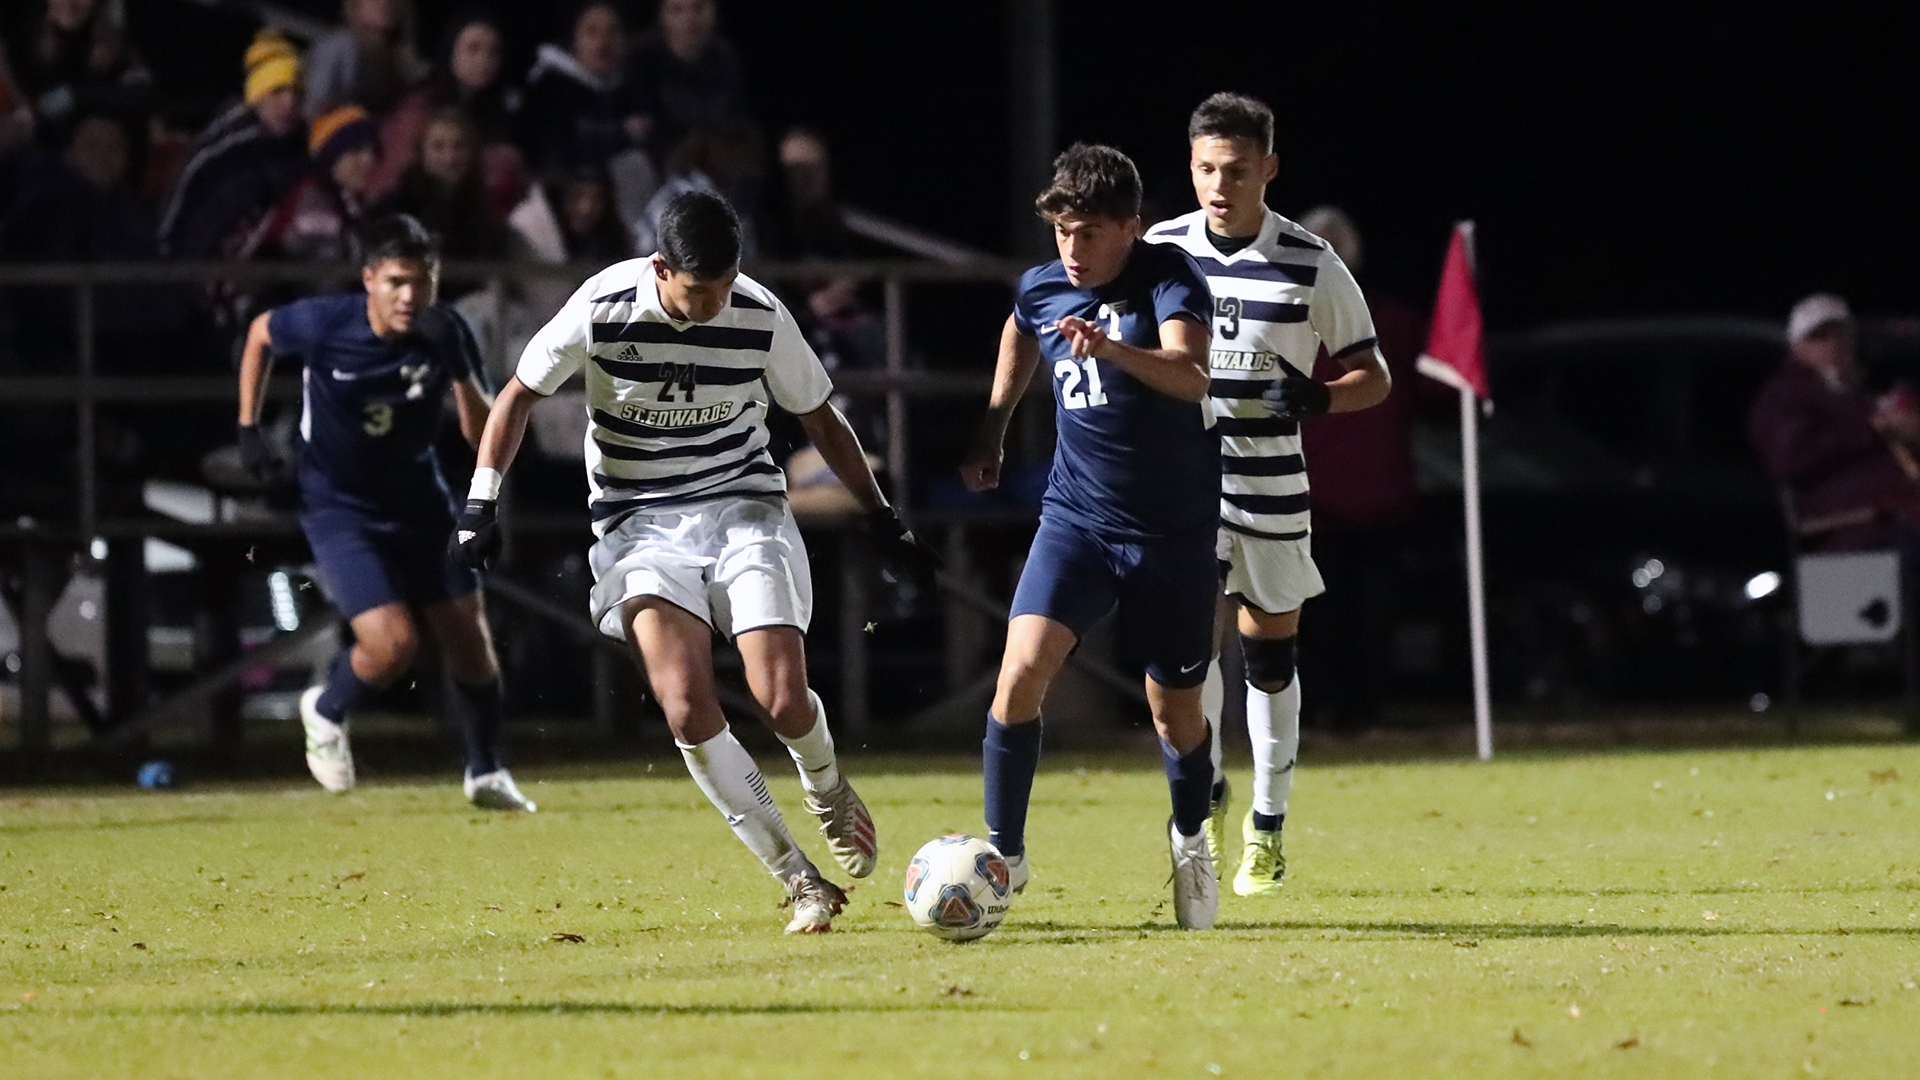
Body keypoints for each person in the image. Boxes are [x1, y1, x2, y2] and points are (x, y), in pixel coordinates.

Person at [452, 190, 936, 932]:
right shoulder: (602, 304)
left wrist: (880, 513)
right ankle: (798, 877)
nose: (715, 304)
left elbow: (817, 413)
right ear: (660, 268)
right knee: (685, 704)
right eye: (699, 290)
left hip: (742, 506)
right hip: (637, 522)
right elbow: (518, 394)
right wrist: (483, 500)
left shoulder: (759, 312)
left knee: (781, 700)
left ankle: (827, 783)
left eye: (725, 286)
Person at [957, 144, 1221, 929]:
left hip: (1172, 533)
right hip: (1077, 520)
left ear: (1131, 229)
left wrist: (1110, 348)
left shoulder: (1170, 277)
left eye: (1090, 233)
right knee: (1021, 673)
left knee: (1175, 711)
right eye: (1062, 232)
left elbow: (1191, 374)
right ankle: (1005, 857)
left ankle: (1191, 837)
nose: (1071, 250)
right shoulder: (1043, 287)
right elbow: (1017, 331)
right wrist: (996, 427)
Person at [1143, 93, 1390, 897]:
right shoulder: (1161, 248)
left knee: (1268, 657)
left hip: (1275, 485)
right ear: (1190, 167)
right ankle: (1207, 797)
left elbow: (1372, 374)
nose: (1220, 186)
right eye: (1207, 170)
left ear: (1269, 170)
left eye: (1237, 171)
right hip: (1188, 479)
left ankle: (1268, 828)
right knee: (1190, 651)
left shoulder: (1313, 261)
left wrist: (1318, 397)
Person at [235, 214, 531, 811]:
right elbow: (262, 334)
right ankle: (326, 706)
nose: (410, 296)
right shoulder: (326, 323)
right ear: (368, 278)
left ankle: (487, 771)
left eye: (423, 280)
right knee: (393, 645)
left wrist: (457, 369)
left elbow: (481, 435)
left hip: (422, 501)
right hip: (339, 508)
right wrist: (248, 426)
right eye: (397, 280)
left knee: (469, 638)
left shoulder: (443, 330)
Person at [1294, 206, 1426, 736]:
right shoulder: (1390, 319)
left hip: (1329, 497)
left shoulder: (1381, 320)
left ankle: (1339, 708)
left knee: (1330, 613)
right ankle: (1349, 709)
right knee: (1350, 612)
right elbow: (1433, 390)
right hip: (1346, 496)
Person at [1749, 293, 1920, 553]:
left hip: (1896, 518)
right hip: (1851, 530)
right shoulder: (1785, 396)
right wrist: (1873, 428)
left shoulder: (1859, 390)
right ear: (1796, 346)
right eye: (1819, 337)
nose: (1833, 344)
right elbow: (1790, 457)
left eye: (1841, 334)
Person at [155, 29, 307, 258]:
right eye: (277, 92)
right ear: (257, 96)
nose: (288, 103)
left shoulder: (299, 147)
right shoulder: (223, 149)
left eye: (296, 94)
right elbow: (179, 209)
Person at [368, 11, 525, 214]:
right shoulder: (421, 107)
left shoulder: (500, 111)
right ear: (452, 51)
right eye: (473, 49)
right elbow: (393, 175)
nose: (484, 60)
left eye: (493, 52)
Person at [627, 0, 748, 158]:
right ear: (662, 16)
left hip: (720, 158)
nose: (690, 19)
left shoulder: (725, 56)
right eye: (677, 10)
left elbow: (739, 119)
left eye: (699, 8)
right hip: (663, 160)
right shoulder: (641, 59)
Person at [302, 0, 425, 118]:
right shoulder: (337, 47)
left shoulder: (401, 61)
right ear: (355, 4)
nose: (385, 2)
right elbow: (314, 108)